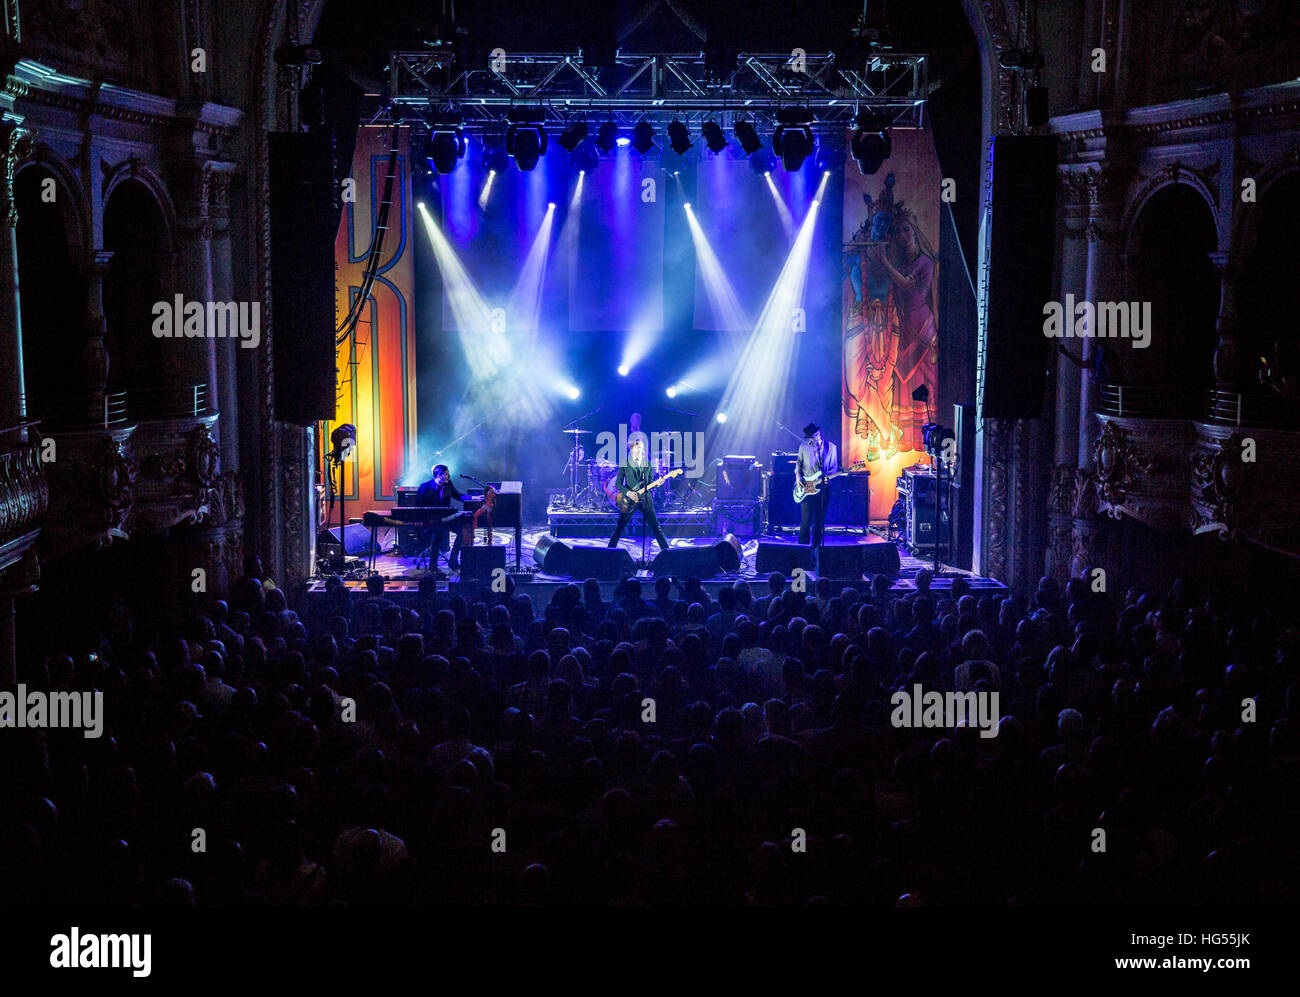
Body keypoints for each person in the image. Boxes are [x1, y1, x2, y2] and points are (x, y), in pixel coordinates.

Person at [607, 435, 670, 554]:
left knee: (656, 527)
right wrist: (629, 493)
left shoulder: (648, 464)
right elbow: (618, 484)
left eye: (641, 447)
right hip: (629, 499)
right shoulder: (625, 463)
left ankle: (667, 554)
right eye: (636, 447)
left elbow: (651, 483)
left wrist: (658, 483)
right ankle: (608, 553)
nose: (639, 449)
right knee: (620, 527)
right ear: (631, 450)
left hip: (645, 499)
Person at [415, 463, 468, 570]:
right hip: (429, 521)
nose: (448, 476)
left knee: (462, 532)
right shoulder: (425, 487)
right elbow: (418, 508)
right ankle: (433, 566)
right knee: (438, 533)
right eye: (446, 474)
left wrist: (473, 498)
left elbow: (458, 496)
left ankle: (453, 560)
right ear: (438, 475)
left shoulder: (448, 485)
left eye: (448, 474)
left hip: (445, 520)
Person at [795, 422, 839, 548]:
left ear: (818, 433)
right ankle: (802, 551)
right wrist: (798, 478)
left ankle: (816, 551)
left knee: (819, 521)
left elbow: (834, 468)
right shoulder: (803, 447)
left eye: (815, 435)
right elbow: (798, 466)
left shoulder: (830, 447)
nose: (814, 439)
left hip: (823, 487)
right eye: (811, 437)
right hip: (807, 486)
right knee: (806, 520)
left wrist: (828, 478)